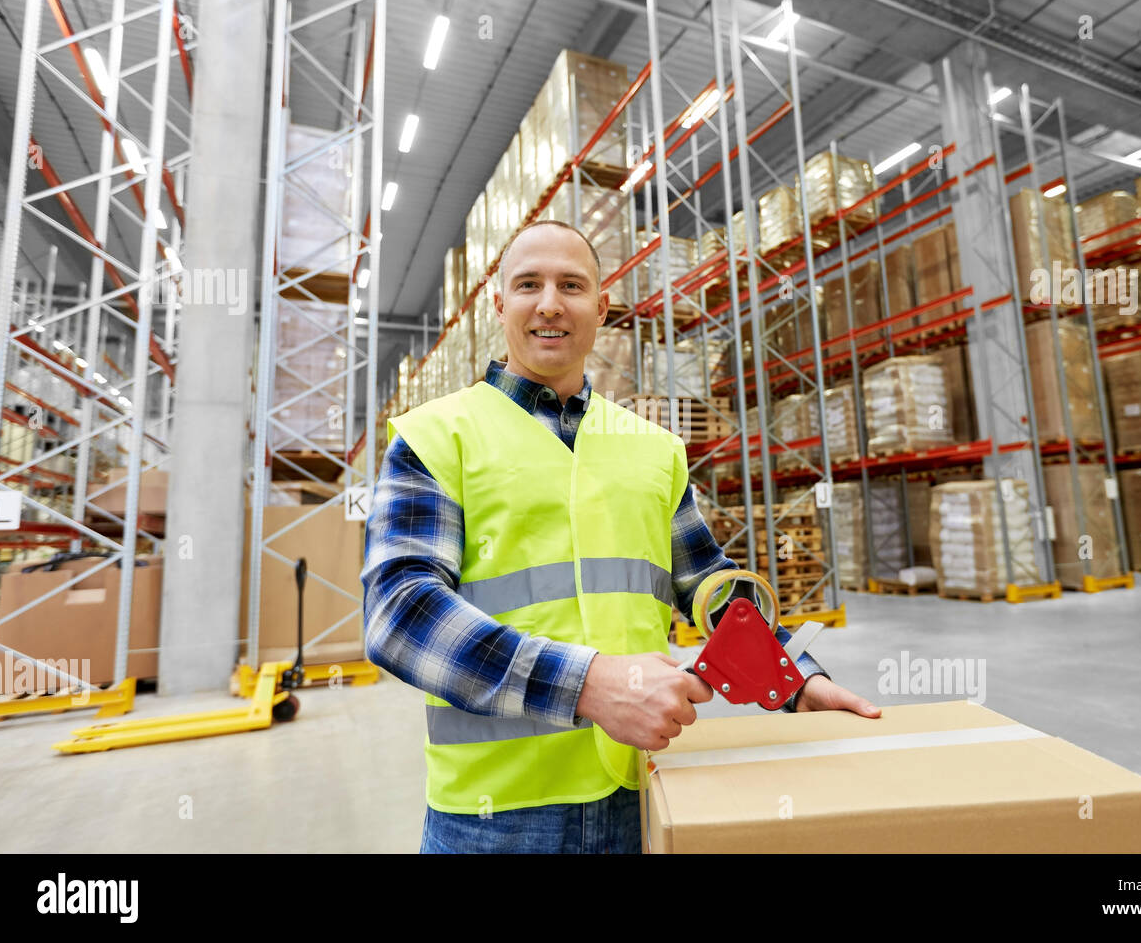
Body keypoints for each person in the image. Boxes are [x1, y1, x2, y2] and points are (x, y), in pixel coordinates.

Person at [362, 220, 880, 854]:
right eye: (528, 284)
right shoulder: (436, 437)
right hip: (496, 815)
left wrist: (793, 680)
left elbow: (706, 586)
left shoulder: (654, 449)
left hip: (639, 789)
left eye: (571, 285)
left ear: (601, 307)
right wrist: (588, 685)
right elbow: (400, 614)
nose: (550, 303)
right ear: (499, 304)